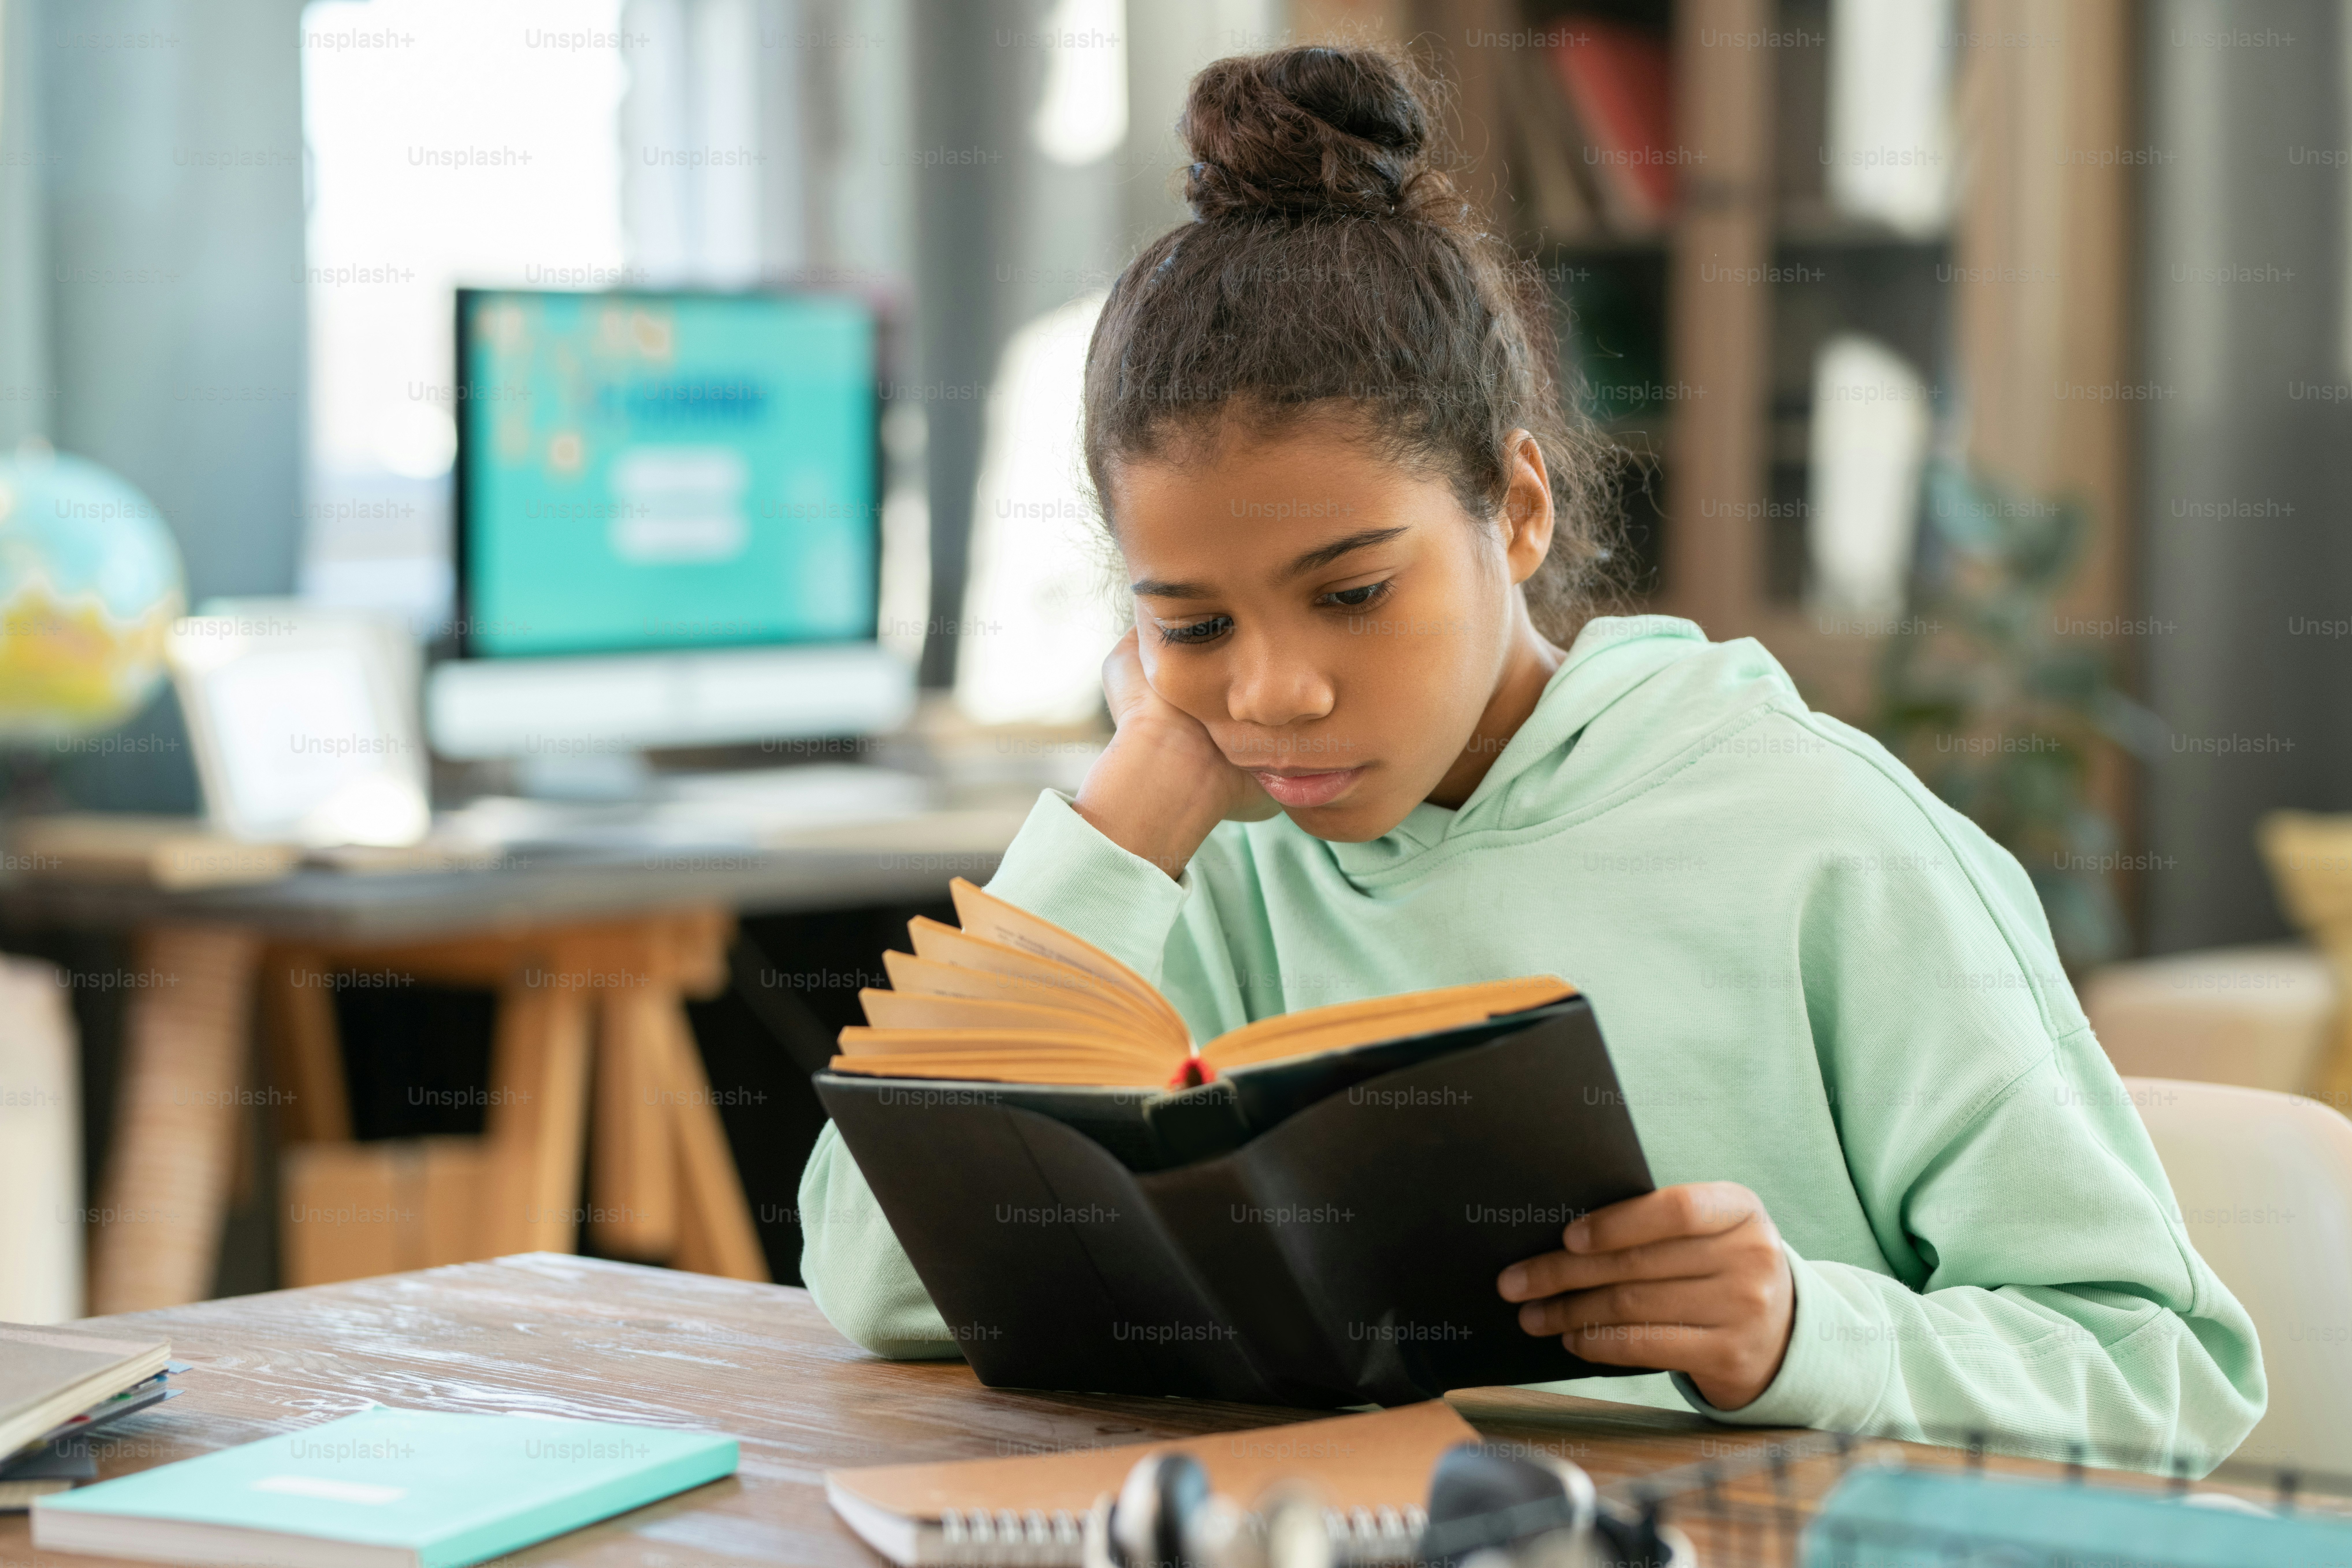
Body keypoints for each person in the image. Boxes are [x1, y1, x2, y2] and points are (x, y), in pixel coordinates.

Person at [797, 43, 2262, 1470]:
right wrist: (1114, 840)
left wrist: (1807, 1330)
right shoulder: (1212, 852)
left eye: (1353, 593)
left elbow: (2164, 1370)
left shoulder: (1830, 839)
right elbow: (881, 1277)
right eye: (1189, 623)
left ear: (1513, 509)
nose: (1276, 692)